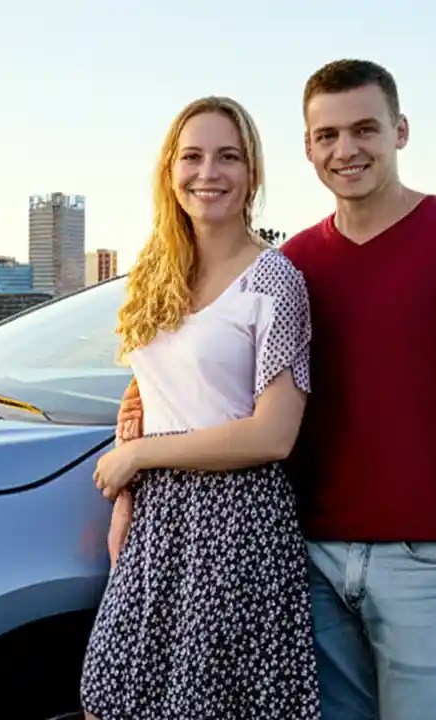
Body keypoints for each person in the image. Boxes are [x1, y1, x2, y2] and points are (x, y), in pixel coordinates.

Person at [114, 59, 436, 720]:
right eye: (327, 135)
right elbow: (209, 366)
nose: (345, 150)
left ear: (400, 131)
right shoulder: (296, 262)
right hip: (309, 551)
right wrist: (136, 415)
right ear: (306, 148)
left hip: (426, 552)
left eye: (364, 129)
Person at [79, 95, 321, 720]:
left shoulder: (274, 281)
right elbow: (150, 392)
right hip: (158, 520)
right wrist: (126, 503)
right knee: (110, 695)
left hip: (236, 522)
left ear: (252, 173)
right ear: (169, 170)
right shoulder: (156, 273)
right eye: (192, 157)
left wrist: (138, 457)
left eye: (227, 157)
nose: (207, 173)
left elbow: (273, 435)